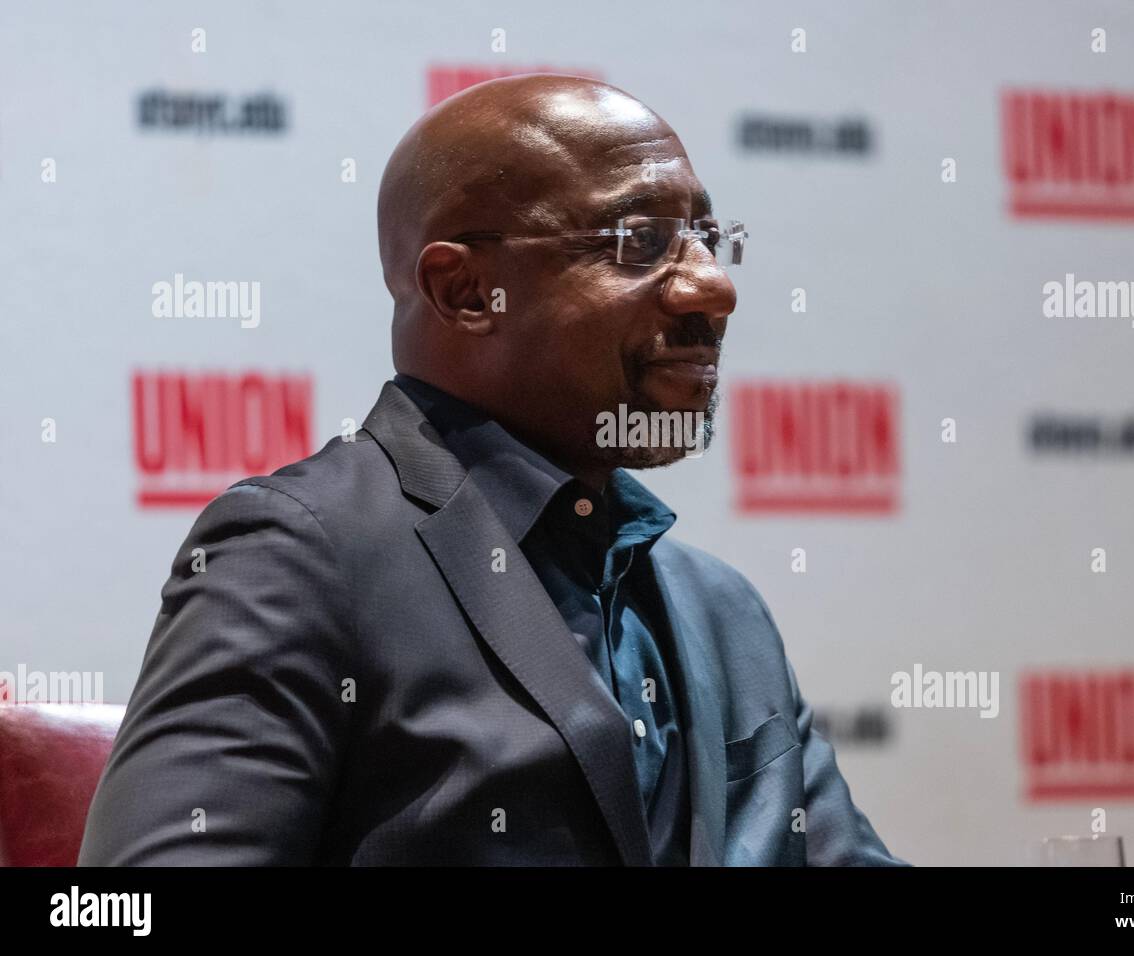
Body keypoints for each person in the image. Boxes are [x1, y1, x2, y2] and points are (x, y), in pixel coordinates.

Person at [78, 74, 904, 866]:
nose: (712, 288)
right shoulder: (300, 557)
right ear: (466, 292)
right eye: (639, 243)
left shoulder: (722, 610)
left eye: (707, 240)